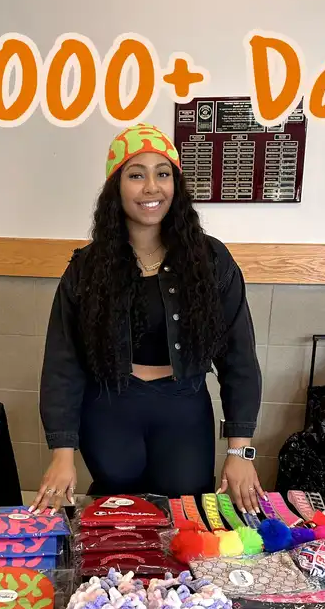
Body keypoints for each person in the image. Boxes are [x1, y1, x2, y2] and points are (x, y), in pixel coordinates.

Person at [33, 123, 263, 515]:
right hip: (110, 409)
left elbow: (239, 358)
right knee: (116, 514)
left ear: (176, 184)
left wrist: (241, 451)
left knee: (185, 512)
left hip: (184, 409)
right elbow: (62, 363)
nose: (152, 187)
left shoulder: (211, 261)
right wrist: (62, 453)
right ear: (116, 187)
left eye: (163, 174)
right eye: (136, 175)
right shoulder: (87, 268)